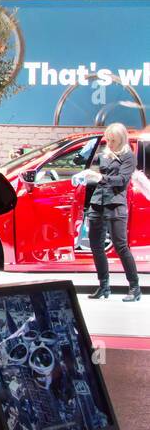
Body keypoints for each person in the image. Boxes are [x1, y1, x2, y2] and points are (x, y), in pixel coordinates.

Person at [77, 123, 141, 302]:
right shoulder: (103, 155)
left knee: (121, 246)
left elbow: (121, 180)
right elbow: (83, 165)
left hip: (115, 204)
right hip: (97, 203)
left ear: (121, 139)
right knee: (96, 246)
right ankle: (104, 286)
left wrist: (100, 177)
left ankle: (135, 288)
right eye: (108, 140)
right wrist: (85, 164)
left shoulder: (128, 157)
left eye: (113, 140)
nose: (110, 143)